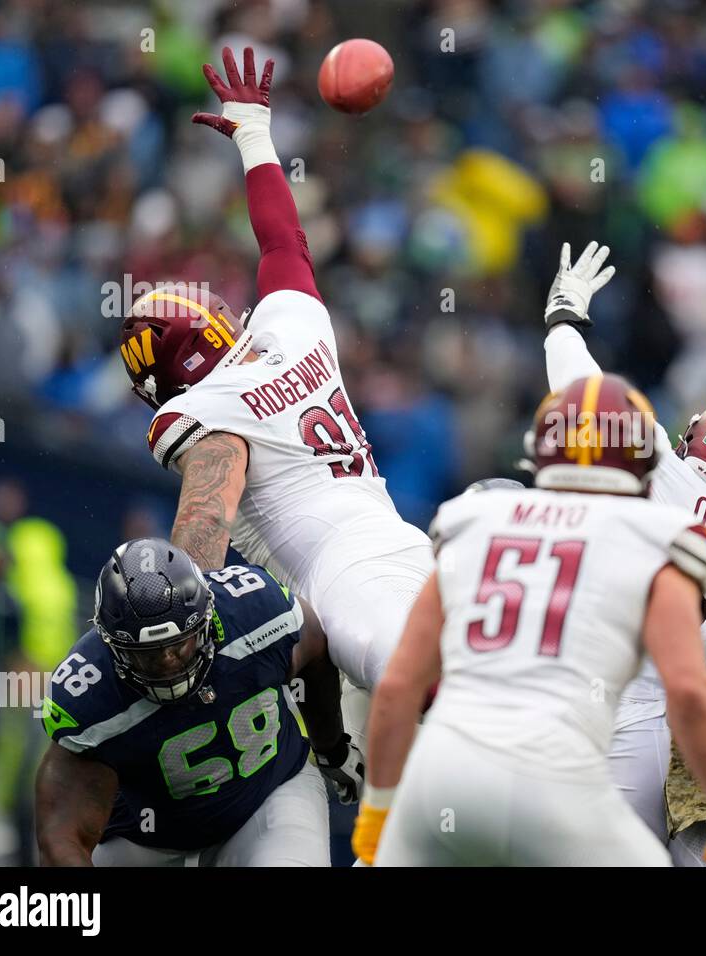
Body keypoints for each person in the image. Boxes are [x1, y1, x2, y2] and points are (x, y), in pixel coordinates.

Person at [116, 48, 432, 733]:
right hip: (401, 541)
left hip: (346, 581)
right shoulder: (292, 325)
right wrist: (255, 136)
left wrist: (175, 627)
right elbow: (283, 242)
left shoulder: (200, 414)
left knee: (440, 706)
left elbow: (205, 521)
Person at [351, 374, 706, 867]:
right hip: (557, 783)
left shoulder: (475, 518)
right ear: (644, 459)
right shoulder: (661, 537)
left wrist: (377, 810)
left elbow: (398, 686)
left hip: (442, 778)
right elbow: (691, 694)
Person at [541, 240, 706, 859]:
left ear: (703, 437)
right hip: (684, 727)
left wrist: (565, 316)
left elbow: (577, 385)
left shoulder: (658, 466)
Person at [35, 538, 360, 866]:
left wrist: (331, 748)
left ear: (206, 618)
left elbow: (314, 647)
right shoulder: (90, 694)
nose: (168, 662)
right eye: (149, 654)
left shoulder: (256, 612)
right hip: (147, 839)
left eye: (179, 644)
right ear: (113, 647)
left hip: (269, 798)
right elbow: (62, 837)